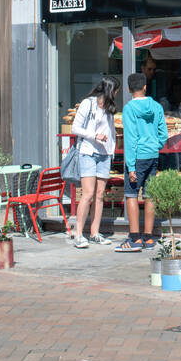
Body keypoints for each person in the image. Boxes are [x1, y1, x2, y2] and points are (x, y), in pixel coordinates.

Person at [115, 72, 168, 252]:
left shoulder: (129, 109)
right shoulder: (156, 106)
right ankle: (149, 237)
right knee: (150, 195)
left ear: (129, 89)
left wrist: (130, 166)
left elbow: (130, 138)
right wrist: (155, 145)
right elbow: (163, 134)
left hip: (136, 157)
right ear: (145, 87)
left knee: (131, 194)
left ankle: (135, 238)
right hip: (152, 155)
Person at [68, 76, 119, 248]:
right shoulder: (88, 103)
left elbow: (110, 130)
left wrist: (112, 150)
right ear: (110, 90)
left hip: (104, 154)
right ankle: (79, 234)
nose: (117, 94)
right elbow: (75, 128)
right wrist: (94, 136)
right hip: (88, 152)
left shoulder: (109, 108)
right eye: (116, 91)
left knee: (99, 195)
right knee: (88, 194)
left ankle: (95, 232)